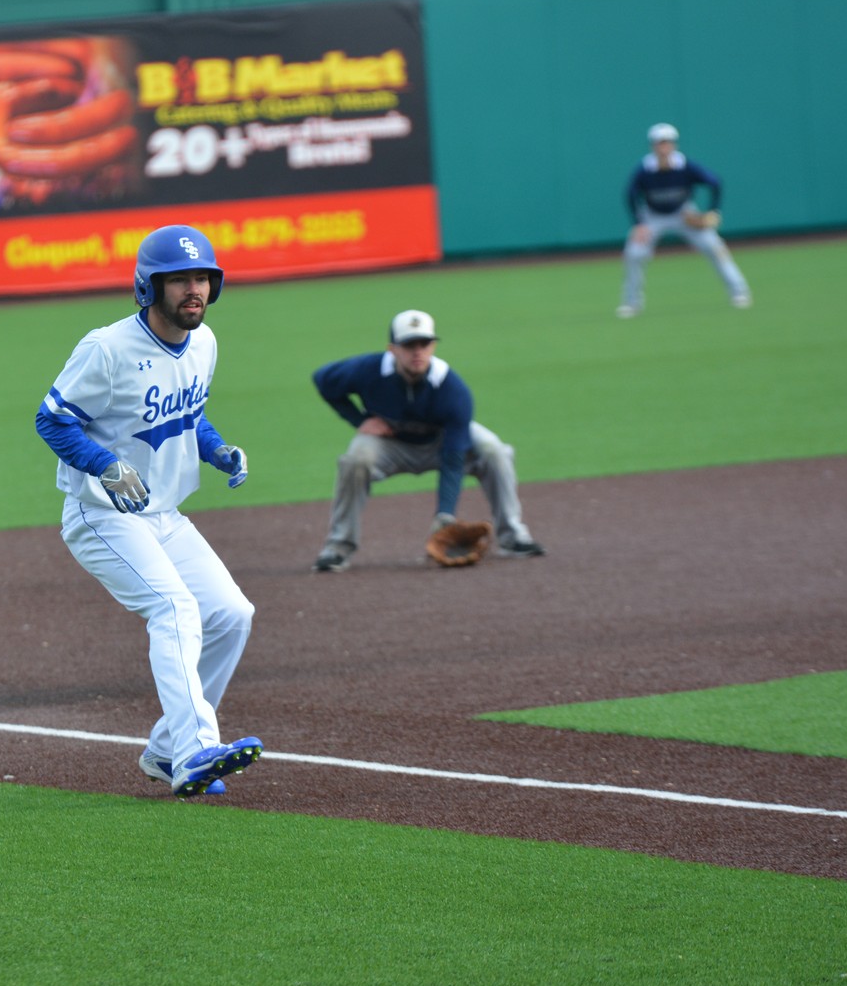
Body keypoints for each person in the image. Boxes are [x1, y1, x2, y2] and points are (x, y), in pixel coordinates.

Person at [34, 225, 263, 798]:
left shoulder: (205, 343)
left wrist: (218, 450)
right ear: (148, 287)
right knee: (175, 608)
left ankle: (166, 750)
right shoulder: (107, 349)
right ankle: (194, 752)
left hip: (165, 516)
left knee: (232, 615)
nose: (195, 290)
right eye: (180, 280)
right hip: (101, 517)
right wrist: (105, 465)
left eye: (203, 279)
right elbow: (52, 419)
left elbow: (190, 414)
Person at [311, 308, 544, 572]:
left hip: (441, 443)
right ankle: (337, 547)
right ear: (392, 349)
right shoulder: (367, 371)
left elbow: (454, 457)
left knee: (494, 451)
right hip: (391, 444)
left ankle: (513, 536)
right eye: (409, 344)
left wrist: (444, 515)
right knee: (355, 460)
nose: (417, 351)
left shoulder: (452, 389)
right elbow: (322, 380)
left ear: (433, 346)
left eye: (424, 343)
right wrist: (359, 420)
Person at [617, 122, 751, 317]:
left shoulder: (685, 166)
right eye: (659, 143)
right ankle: (632, 303)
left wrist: (714, 211)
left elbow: (715, 182)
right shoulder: (645, 169)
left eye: (667, 143)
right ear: (652, 146)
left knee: (714, 247)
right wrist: (638, 225)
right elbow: (629, 194)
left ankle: (739, 292)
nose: (663, 147)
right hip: (653, 216)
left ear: (674, 145)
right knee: (634, 254)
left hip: (684, 213)